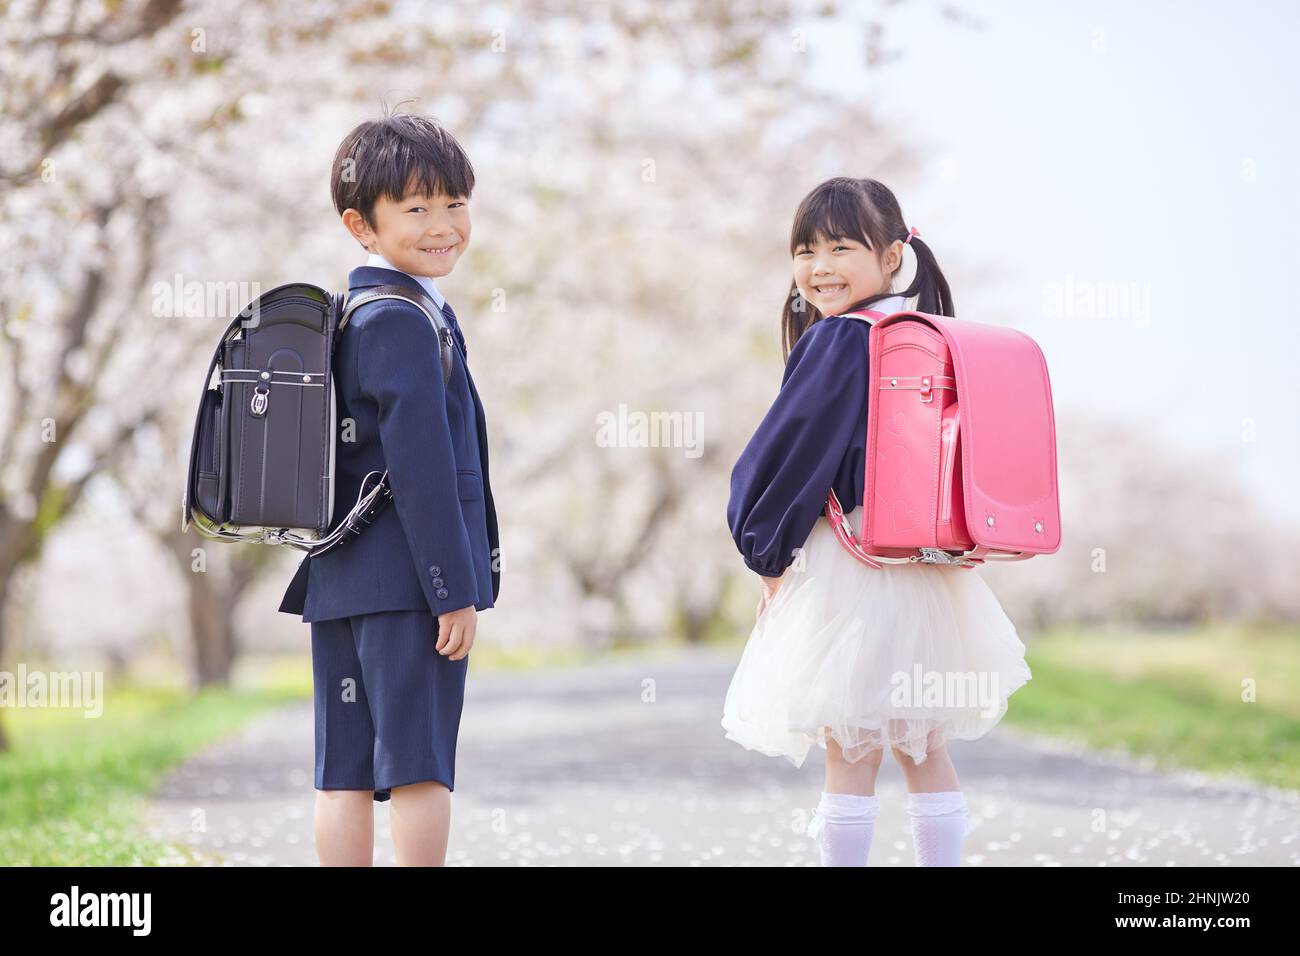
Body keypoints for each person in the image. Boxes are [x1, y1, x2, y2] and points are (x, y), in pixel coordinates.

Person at [722, 177, 1031, 867]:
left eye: (840, 247)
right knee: (922, 747)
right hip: (921, 569)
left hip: (849, 565)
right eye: (805, 250)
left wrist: (764, 547)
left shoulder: (839, 340)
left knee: (850, 749)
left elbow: (789, 453)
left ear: (892, 255)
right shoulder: (923, 336)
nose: (819, 266)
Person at [278, 111, 500, 866]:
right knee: (419, 764)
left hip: (341, 576)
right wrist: (452, 587)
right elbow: (422, 468)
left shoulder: (349, 317)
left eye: (454, 203)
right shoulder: (402, 319)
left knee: (342, 771)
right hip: (409, 584)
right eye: (416, 208)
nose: (443, 226)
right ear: (360, 225)